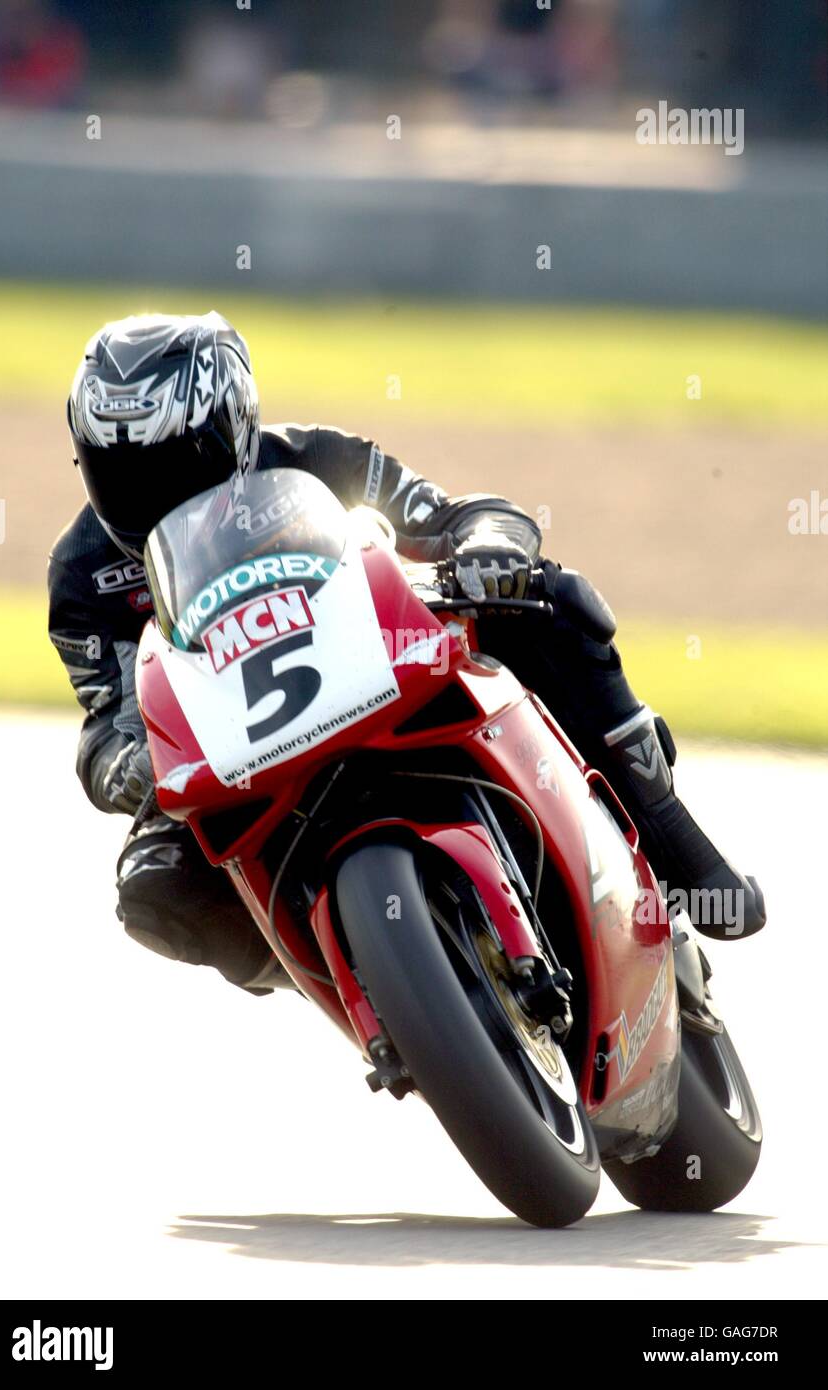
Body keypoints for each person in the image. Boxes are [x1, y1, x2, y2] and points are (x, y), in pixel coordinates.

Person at [48, 311, 766, 995]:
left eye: (177, 465)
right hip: (246, 753)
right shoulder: (82, 574)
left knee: (551, 601)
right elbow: (111, 715)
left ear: (234, 430)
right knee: (154, 886)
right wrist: (123, 765)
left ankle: (673, 841)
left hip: (382, 667)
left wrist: (490, 551)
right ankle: (359, 978)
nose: (153, 497)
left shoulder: (316, 459)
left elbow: (463, 518)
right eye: (121, 474)